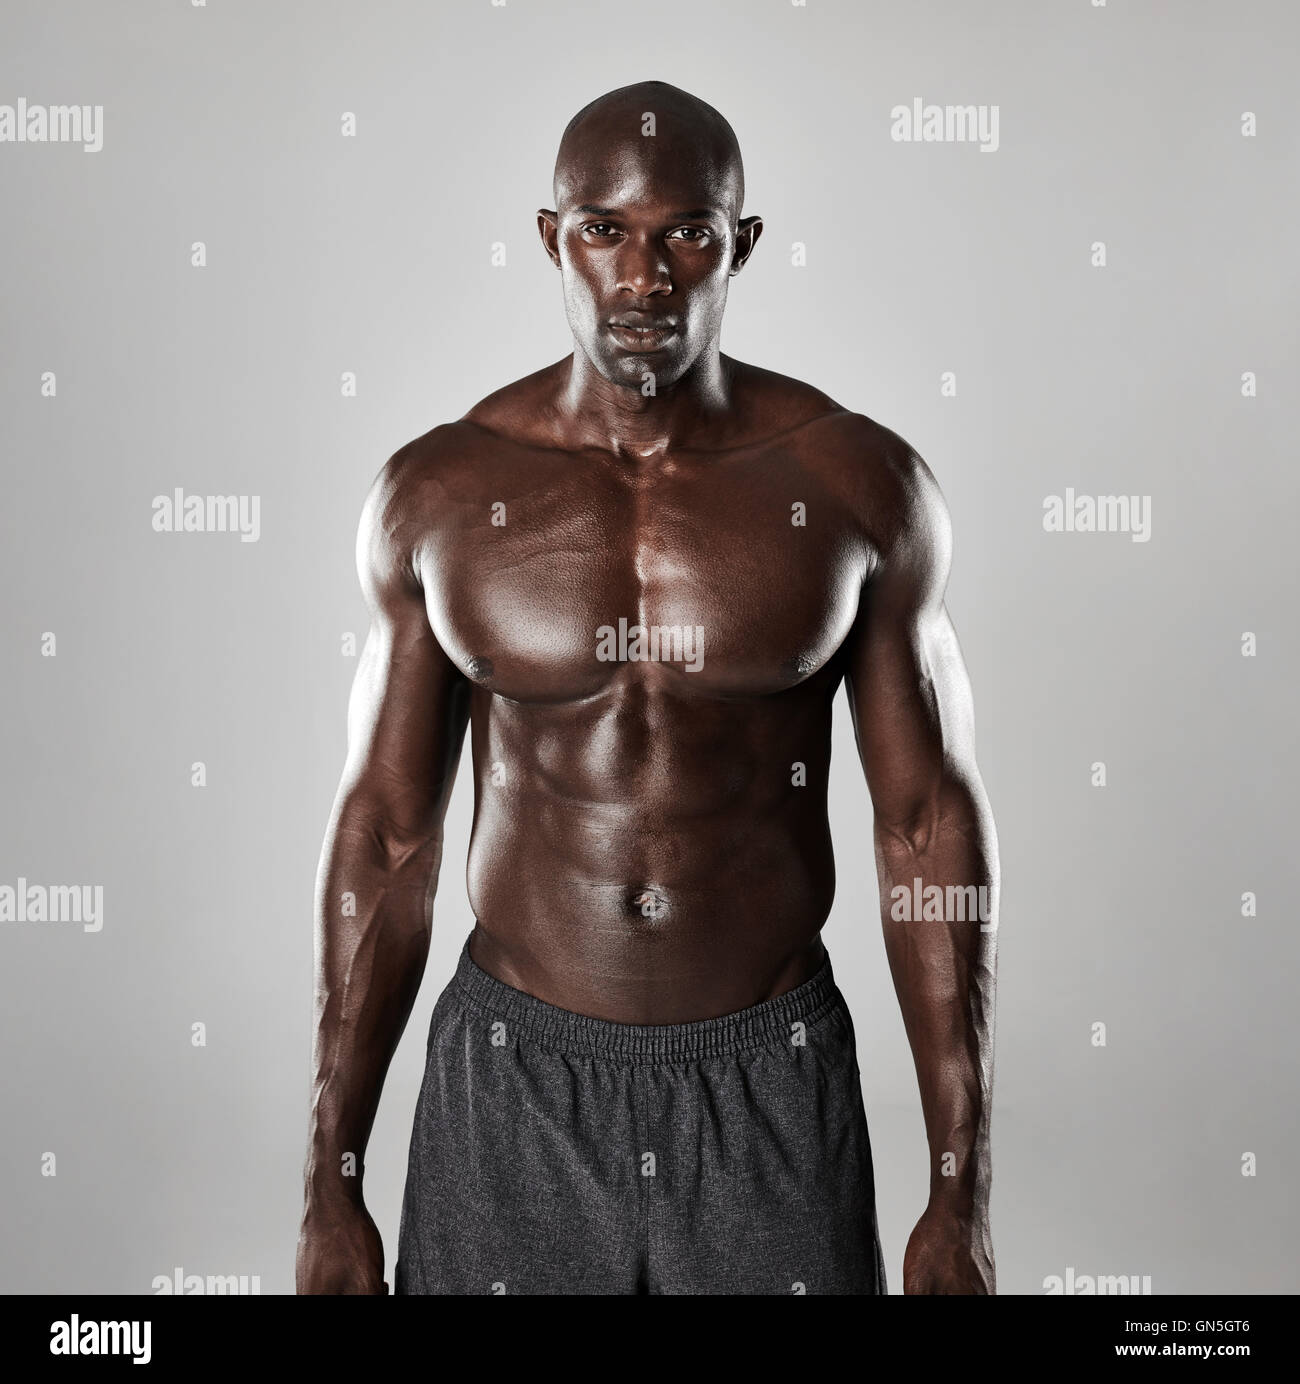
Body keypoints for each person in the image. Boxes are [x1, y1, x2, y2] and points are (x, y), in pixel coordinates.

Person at [295, 80, 999, 1296]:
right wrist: (329, 1180)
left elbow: (925, 829)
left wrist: (960, 1189)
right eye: (603, 230)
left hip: (766, 1076)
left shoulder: (854, 485)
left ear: (741, 245)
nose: (644, 274)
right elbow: (388, 837)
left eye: (687, 232)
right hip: (513, 1077)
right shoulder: (444, 493)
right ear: (549, 238)